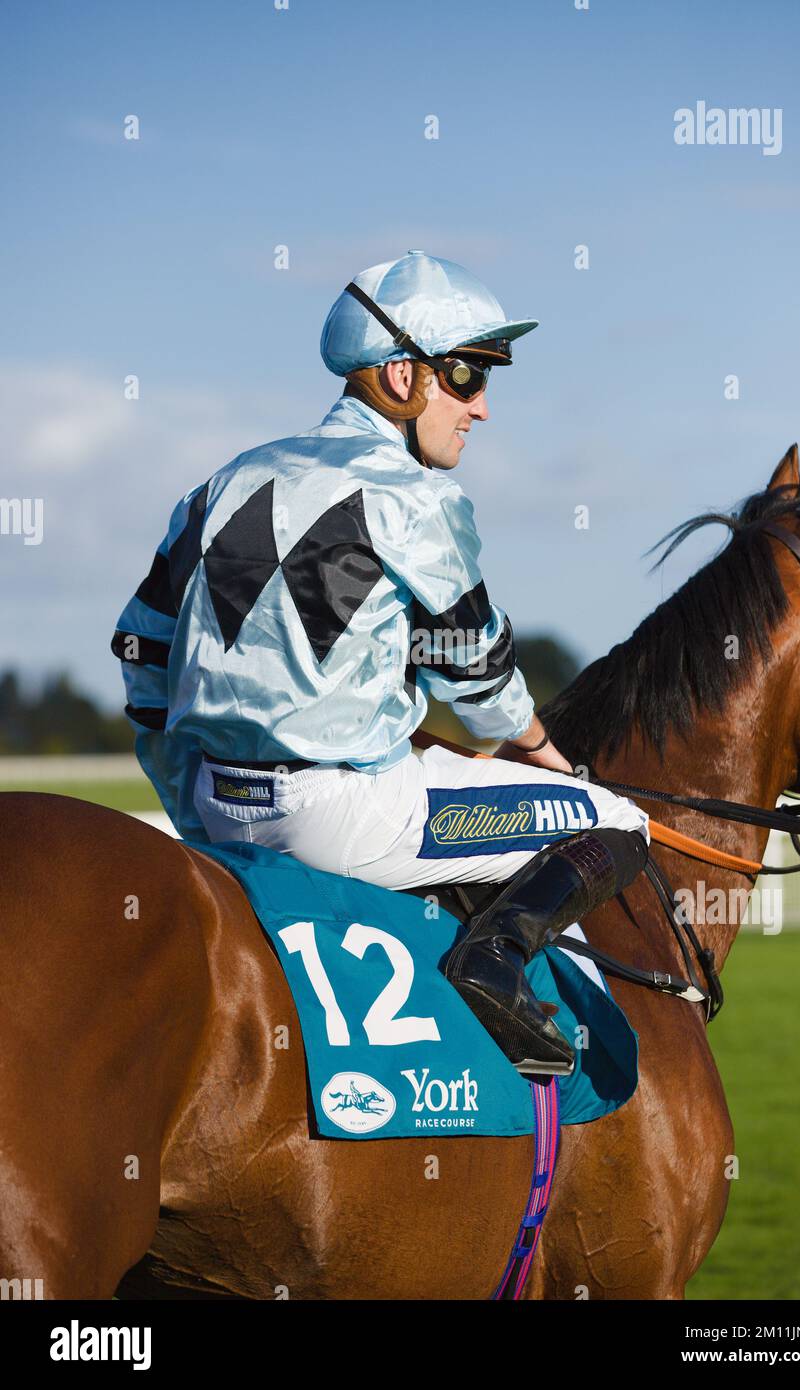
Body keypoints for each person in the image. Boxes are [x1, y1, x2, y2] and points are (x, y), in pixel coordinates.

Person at [112, 250, 649, 1076]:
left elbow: (142, 652)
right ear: (400, 376)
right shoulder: (418, 496)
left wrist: (186, 799)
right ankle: (492, 966)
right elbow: (476, 674)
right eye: (467, 376)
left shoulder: (225, 480)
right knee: (615, 821)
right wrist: (542, 752)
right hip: (342, 815)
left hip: (217, 810)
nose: (481, 408)